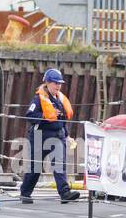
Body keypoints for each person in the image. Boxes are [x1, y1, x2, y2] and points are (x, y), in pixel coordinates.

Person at [20, 68, 81, 203]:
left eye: (59, 83)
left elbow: (62, 119)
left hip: (57, 136)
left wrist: (67, 135)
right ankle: (25, 193)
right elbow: (29, 115)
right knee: (35, 167)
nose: (58, 86)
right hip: (39, 137)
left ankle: (65, 193)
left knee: (59, 165)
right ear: (47, 83)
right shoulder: (38, 99)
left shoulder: (59, 99)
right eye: (55, 83)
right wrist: (45, 116)